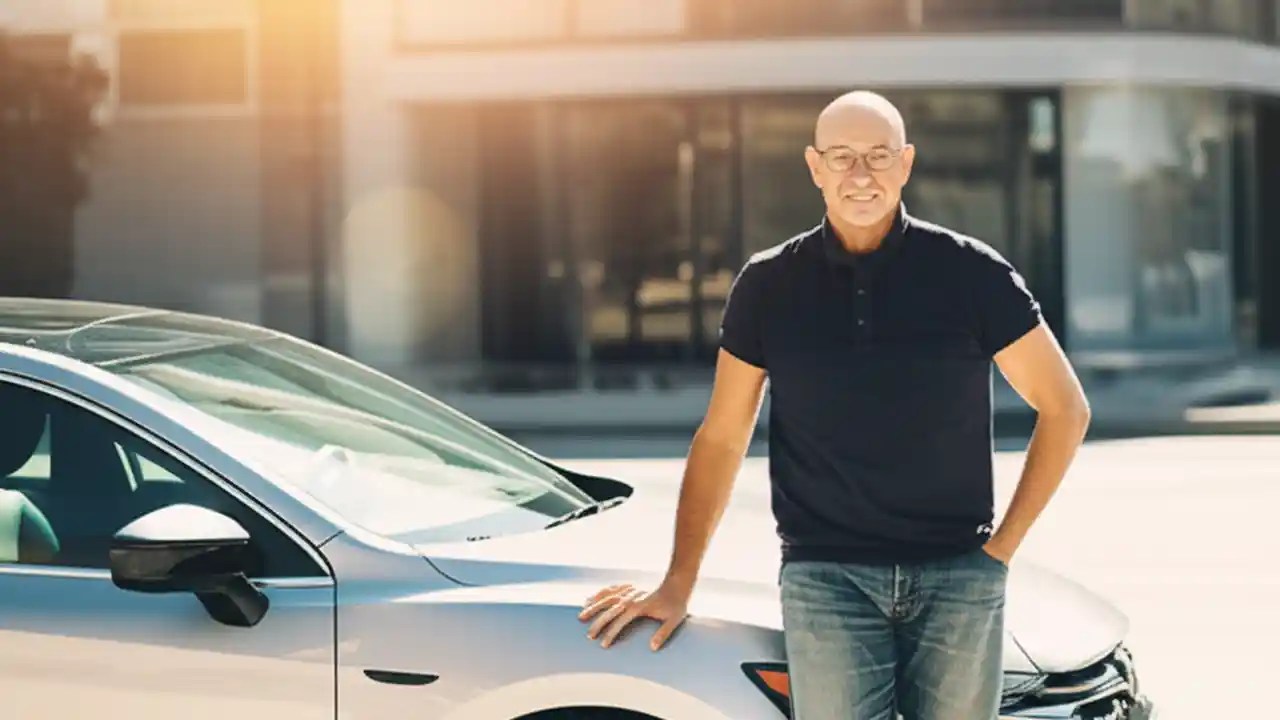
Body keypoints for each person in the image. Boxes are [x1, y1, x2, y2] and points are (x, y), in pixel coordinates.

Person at [577, 90, 1091, 719]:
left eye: (878, 157)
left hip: (959, 576)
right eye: (842, 157)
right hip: (827, 583)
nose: (860, 175)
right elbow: (721, 437)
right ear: (814, 167)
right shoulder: (769, 284)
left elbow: (1065, 408)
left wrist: (998, 554)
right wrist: (679, 580)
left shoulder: (972, 274)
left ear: (906, 164)